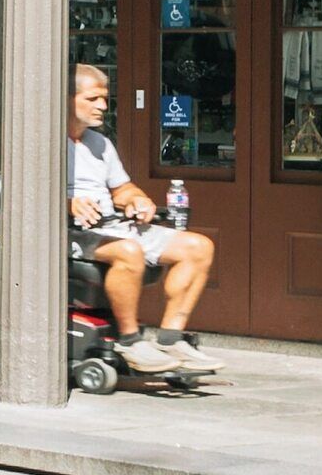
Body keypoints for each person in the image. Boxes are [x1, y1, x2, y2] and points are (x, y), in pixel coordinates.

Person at [69, 64, 219, 374]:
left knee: (199, 248)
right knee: (129, 251)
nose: (102, 106)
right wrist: (68, 204)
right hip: (70, 231)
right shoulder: (44, 143)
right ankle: (129, 340)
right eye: (93, 98)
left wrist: (137, 199)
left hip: (112, 225)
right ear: (67, 99)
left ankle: (170, 340)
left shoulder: (100, 143)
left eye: (105, 98)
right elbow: (26, 192)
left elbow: (122, 189)